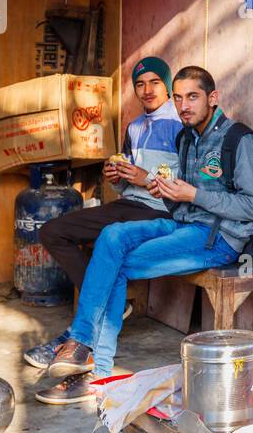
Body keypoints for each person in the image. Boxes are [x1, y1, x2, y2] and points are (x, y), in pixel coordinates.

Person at [29, 66, 253, 405]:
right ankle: (82, 343)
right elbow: (185, 194)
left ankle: (98, 368)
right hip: (183, 222)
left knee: (117, 262)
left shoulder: (238, 141)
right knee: (112, 237)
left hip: (218, 239)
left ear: (212, 98)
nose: (184, 105)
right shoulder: (187, 138)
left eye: (193, 97)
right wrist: (164, 190)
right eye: (179, 97)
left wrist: (193, 195)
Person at [36, 56, 182, 292]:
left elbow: (191, 183)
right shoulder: (134, 127)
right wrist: (116, 178)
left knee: (110, 241)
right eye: (140, 84)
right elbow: (127, 183)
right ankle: (104, 297)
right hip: (127, 205)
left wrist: (146, 178)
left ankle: (103, 302)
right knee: (52, 232)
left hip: (162, 211)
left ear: (167, 86)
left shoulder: (182, 126)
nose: (147, 90)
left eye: (155, 82)